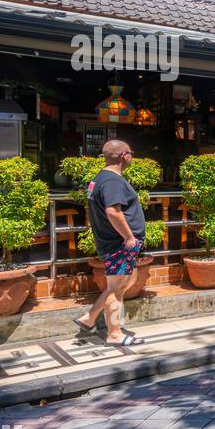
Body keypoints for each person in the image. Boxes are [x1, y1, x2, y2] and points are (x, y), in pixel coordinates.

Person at [74, 140, 146, 347]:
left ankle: (90, 317)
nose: (132, 156)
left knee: (125, 281)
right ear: (124, 155)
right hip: (118, 245)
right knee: (117, 289)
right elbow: (113, 211)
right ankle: (114, 334)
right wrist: (129, 237)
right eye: (131, 153)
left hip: (112, 243)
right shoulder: (112, 181)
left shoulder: (99, 179)